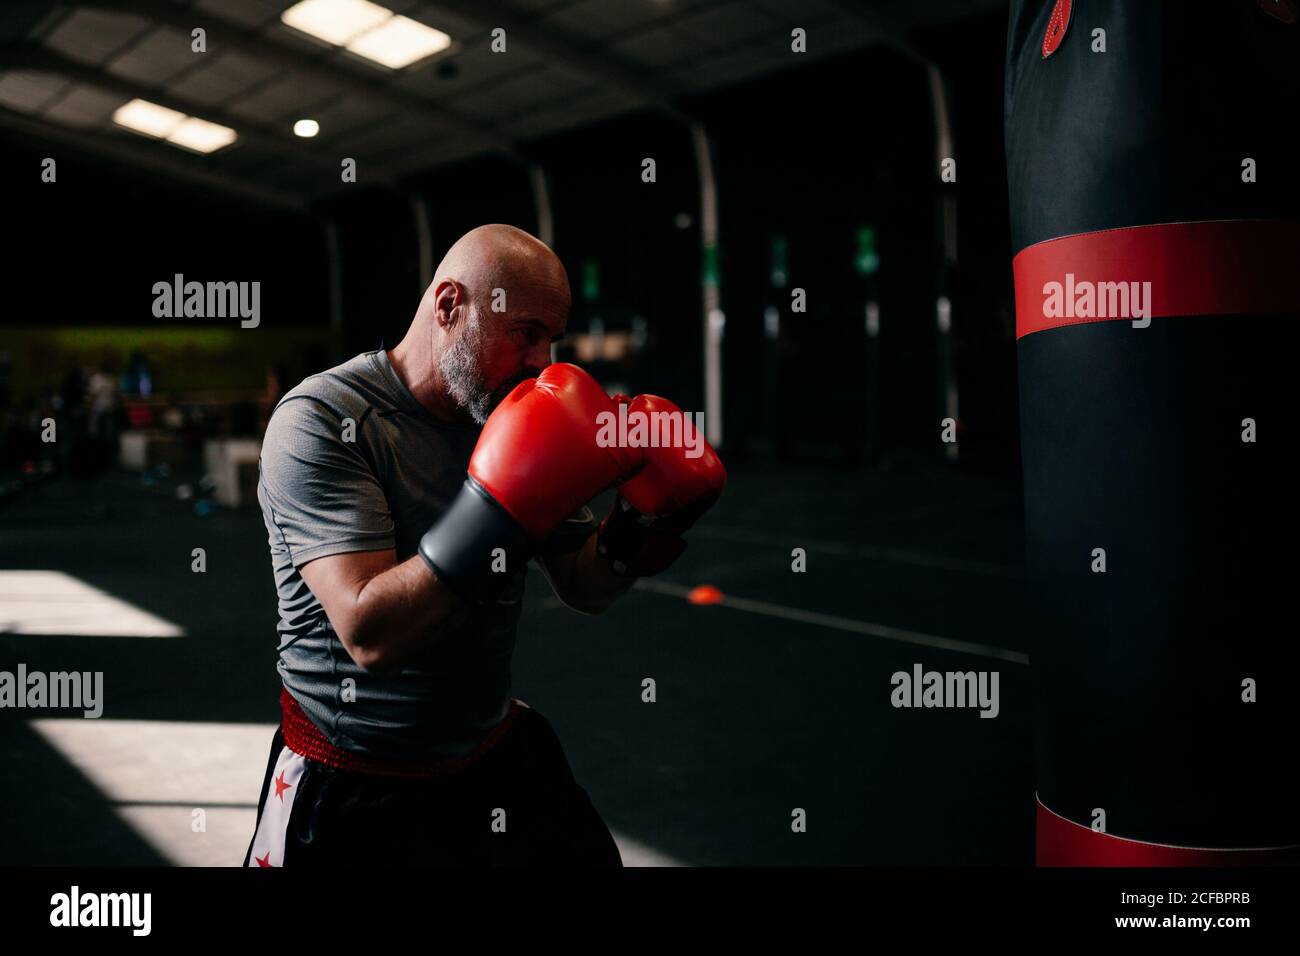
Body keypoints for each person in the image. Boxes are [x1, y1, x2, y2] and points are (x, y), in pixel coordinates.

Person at [245, 224, 724, 867]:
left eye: (552, 339)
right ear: (449, 307)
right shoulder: (324, 419)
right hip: (354, 783)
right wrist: (503, 508)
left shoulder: (506, 412)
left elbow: (585, 586)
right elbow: (371, 634)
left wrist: (646, 521)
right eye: (527, 333)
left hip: (488, 752)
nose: (544, 362)